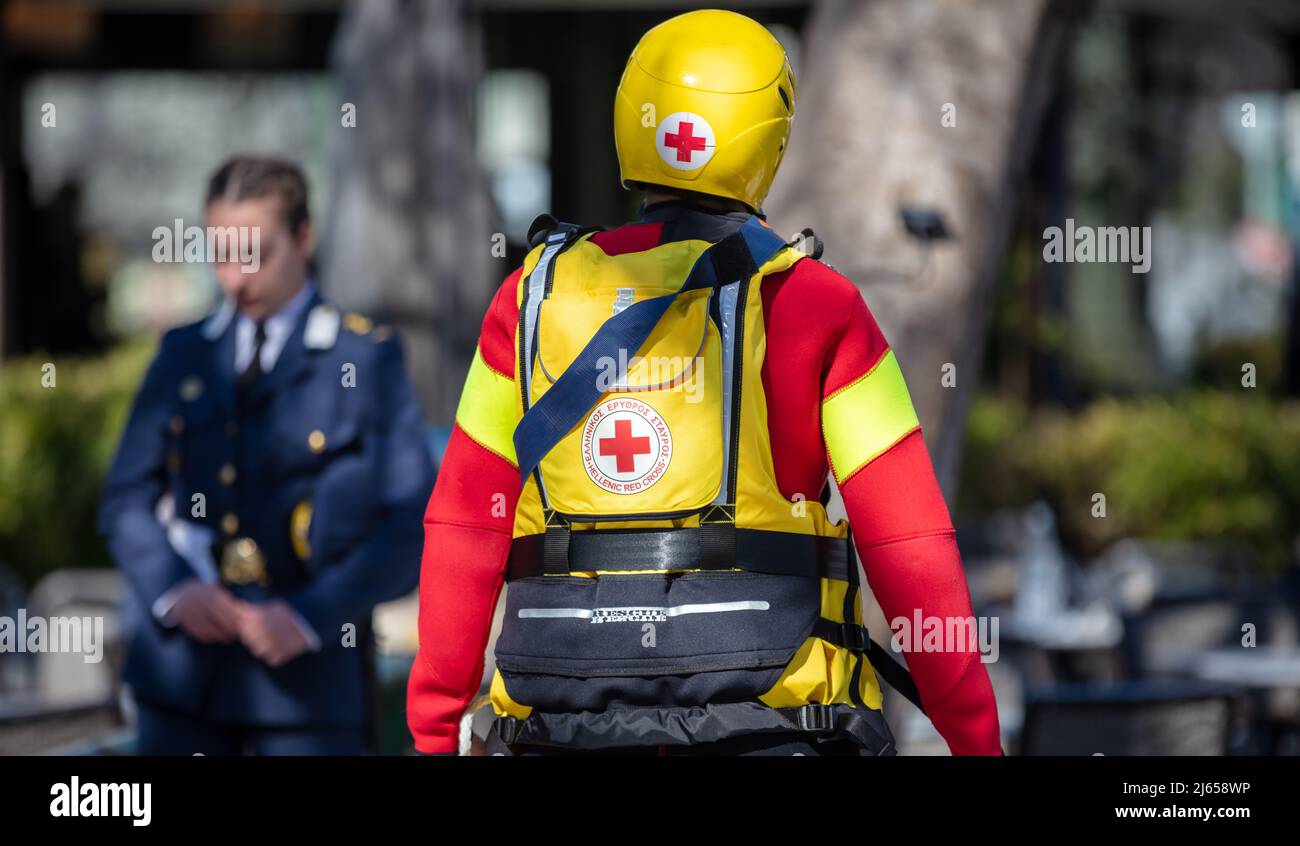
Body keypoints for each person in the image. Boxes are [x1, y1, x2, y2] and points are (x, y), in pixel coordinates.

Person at [408, 9, 1001, 756]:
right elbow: (913, 545)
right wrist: (975, 737)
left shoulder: (528, 301)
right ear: (770, 137)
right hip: (773, 730)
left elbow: (464, 528)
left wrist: (434, 729)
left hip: (554, 729)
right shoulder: (816, 303)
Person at [100, 156, 433, 755]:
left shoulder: (363, 358)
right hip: (182, 689)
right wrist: (176, 590)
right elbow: (126, 498)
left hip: (308, 696)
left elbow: (409, 522)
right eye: (221, 253)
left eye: (255, 253)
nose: (235, 278)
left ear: (303, 238)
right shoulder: (183, 355)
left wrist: (310, 614)